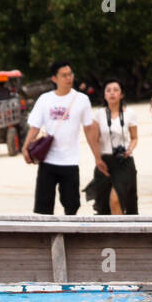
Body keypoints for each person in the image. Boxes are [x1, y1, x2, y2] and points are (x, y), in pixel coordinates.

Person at [22, 60, 98, 215]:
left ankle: (69, 237)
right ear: (54, 79)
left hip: (70, 160)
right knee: (43, 207)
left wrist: (98, 157)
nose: (68, 78)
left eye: (70, 74)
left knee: (72, 204)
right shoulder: (45, 99)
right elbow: (35, 127)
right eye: (64, 75)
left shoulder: (81, 100)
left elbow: (88, 129)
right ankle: (44, 238)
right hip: (48, 160)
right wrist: (25, 147)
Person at [87, 77, 139, 216]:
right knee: (104, 204)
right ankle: (114, 234)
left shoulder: (130, 113)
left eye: (116, 90)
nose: (112, 93)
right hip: (105, 162)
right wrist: (97, 158)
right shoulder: (98, 114)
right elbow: (94, 139)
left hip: (124, 161)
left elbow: (134, 138)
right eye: (108, 90)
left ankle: (122, 235)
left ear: (121, 94)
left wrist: (130, 149)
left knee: (116, 200)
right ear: (104, 95)